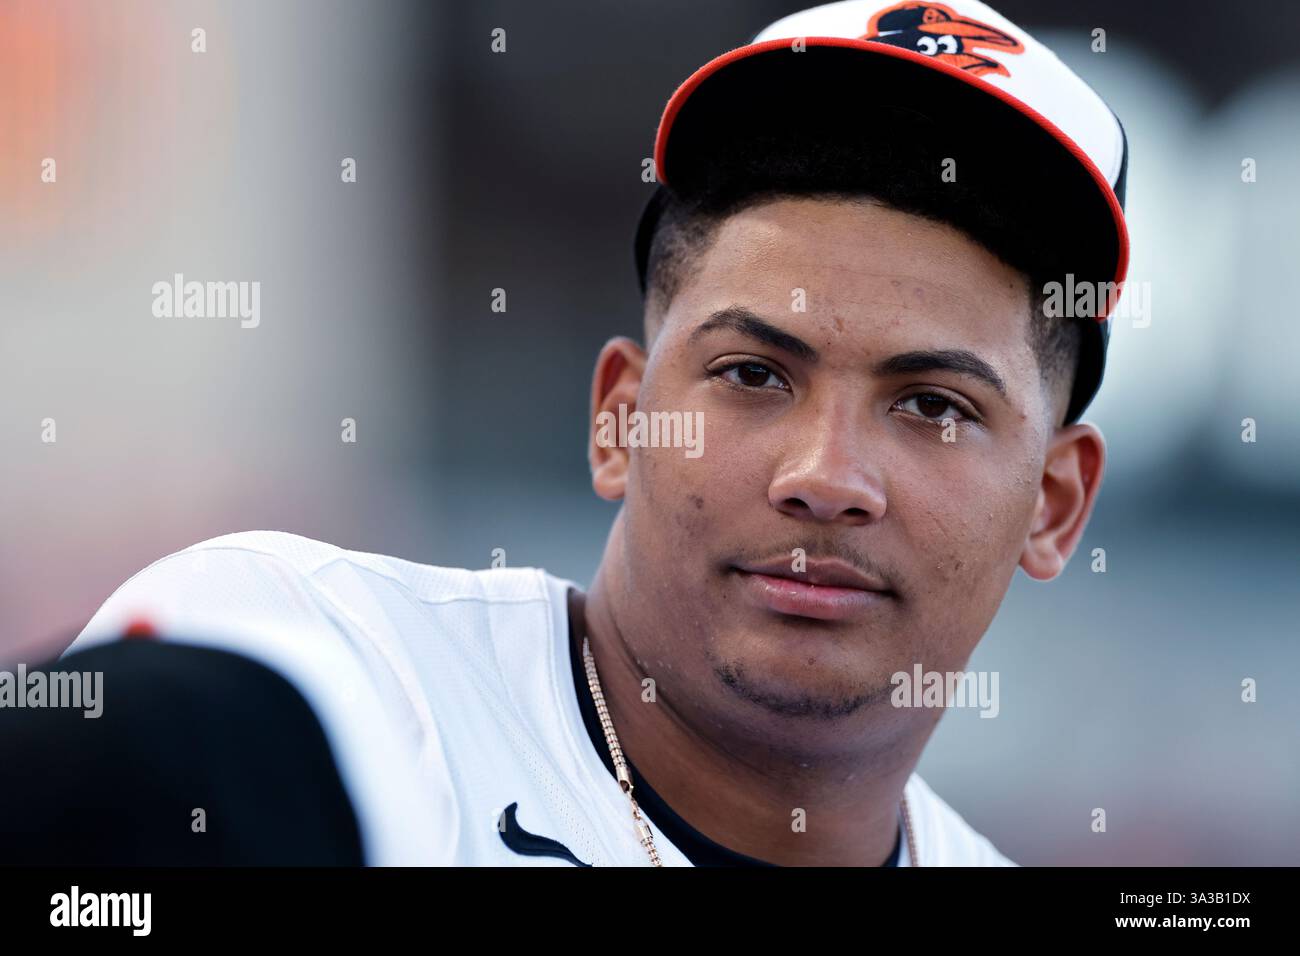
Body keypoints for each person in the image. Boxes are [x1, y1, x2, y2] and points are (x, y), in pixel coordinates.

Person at [59, 0, 1130, 866]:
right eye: (752, 373)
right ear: (619, 419)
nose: (826, 476)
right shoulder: (342, 671)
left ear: (1053, 504)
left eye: (933, 406)